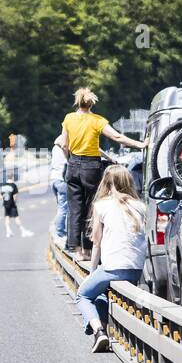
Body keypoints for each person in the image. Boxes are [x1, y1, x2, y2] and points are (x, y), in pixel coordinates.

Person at [54, 88, 146, 255]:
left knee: (75, 208)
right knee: (91, 207)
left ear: (77, 102)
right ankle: (89, 249)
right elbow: (117, 137)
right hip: (91, 167)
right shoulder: (97, 121)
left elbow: (64, 144)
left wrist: (70, 160)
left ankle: (76, 249)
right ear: (92, 103)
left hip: (73, 165)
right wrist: (141, 145)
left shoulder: (68, 118)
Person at [75, 165, 147, 352]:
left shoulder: (102, 205)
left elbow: (97, 244)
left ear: (106, 183)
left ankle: (99, 331)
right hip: (136, 268)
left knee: (83, 295)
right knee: (101, 292)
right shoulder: (140, 206)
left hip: (112, 268)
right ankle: (103, 333)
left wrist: (92, 274)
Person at [49, 142, 68, 247]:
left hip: (54, 179)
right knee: (64, 209)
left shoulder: (55, 146)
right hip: (62, 180)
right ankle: (60, 234)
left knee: (60, 208)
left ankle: (60, 232)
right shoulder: (65, 145)